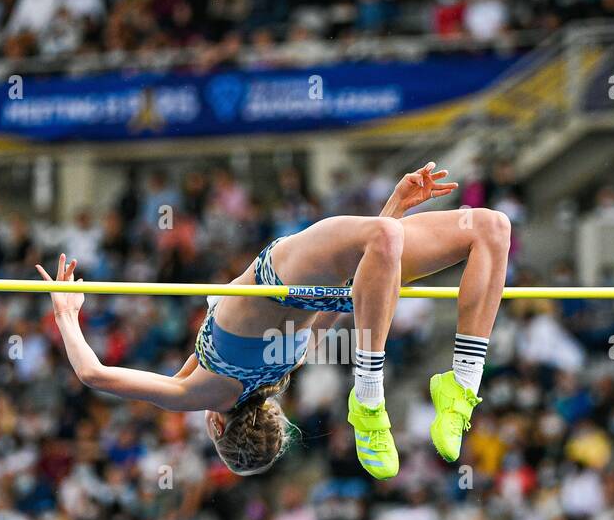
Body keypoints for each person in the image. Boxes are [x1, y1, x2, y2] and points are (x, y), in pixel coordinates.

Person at [38, 163, 511, 480]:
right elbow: (92, 375)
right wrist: (67, 315)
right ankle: (458, 386)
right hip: (308, 271)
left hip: (310, 270)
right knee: (491, 228)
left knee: (407, 233)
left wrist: (65, 312)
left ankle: (377, 397)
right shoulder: (243, 384)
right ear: (219, 429)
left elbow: (360, 268)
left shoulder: (258, 375)